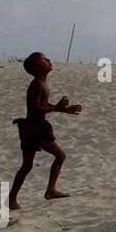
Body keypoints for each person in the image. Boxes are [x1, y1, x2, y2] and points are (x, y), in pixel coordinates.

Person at [9, 52, 80, 209]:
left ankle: (12, 200)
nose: (48, 60)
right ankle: (50, 190)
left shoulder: (41, 83)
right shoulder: (37, 85)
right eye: (43, 59)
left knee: (27, 165)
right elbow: (36, 108)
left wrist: (62, 109)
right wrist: (57, 108)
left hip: (30, 128)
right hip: (37, 128)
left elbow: (43, 105)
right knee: (60, 156)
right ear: (35, 67)